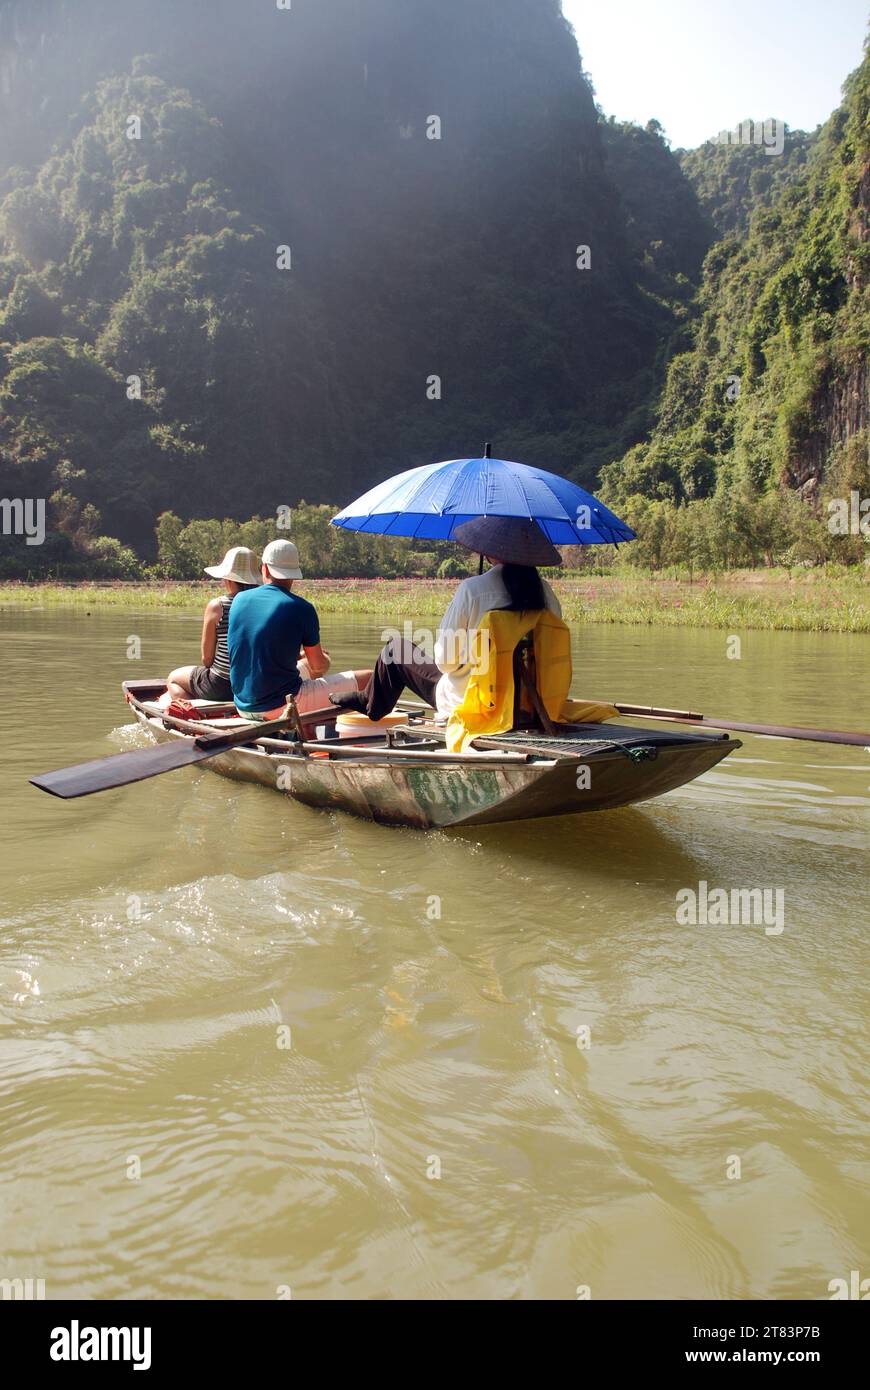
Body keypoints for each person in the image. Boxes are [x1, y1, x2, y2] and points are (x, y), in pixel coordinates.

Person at [330, 516, 562, 722]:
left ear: (490, 552)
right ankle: (370, 700)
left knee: (396, 649)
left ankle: (371, 704)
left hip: (471, 701)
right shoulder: (547, 596)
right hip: (528, 704)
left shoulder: (474, 590)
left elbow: (445, 662)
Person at [227, 538, 371, 720]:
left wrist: (300, 656)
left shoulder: (239, 600)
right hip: (279, 706)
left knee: (305, 667)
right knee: (369, 678)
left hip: (242, 704)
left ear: (264, 568)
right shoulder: (302, 607)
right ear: (294, 573)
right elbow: (318, 666)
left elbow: (256, 649)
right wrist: (325, 660)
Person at [165, 546, 260, 703]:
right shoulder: (265, 605)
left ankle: (193, 716)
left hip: (221, 684)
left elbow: (207, 659)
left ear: (228, 579)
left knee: (173, 678)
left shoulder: (218, 606)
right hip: (255, 685)